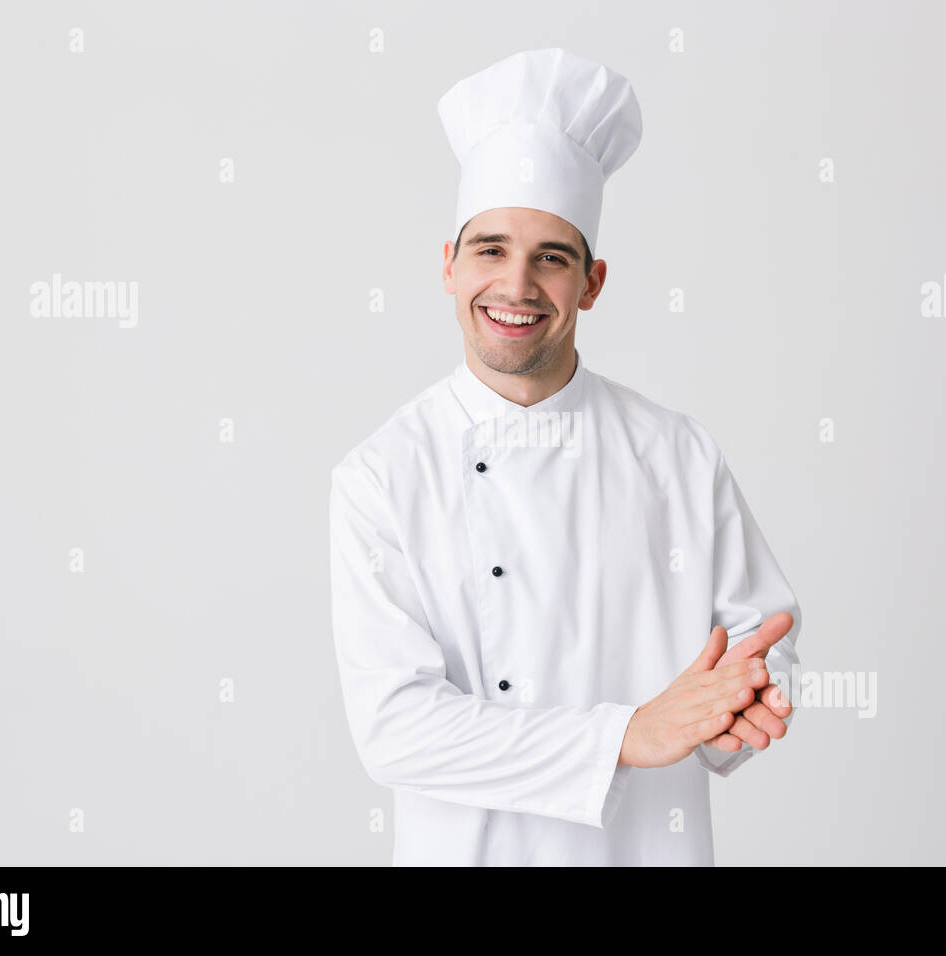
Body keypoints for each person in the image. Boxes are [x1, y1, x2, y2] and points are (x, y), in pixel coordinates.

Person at [328, 47, 802, 866]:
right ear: (447, 265)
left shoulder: (677, 455)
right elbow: (395, 730)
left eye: (552, 256)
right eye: (489, 249)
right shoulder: (381, 476)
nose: (516, 286)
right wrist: (630, 733)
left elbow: (763, 639)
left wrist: (745, 702)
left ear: (593, 282)